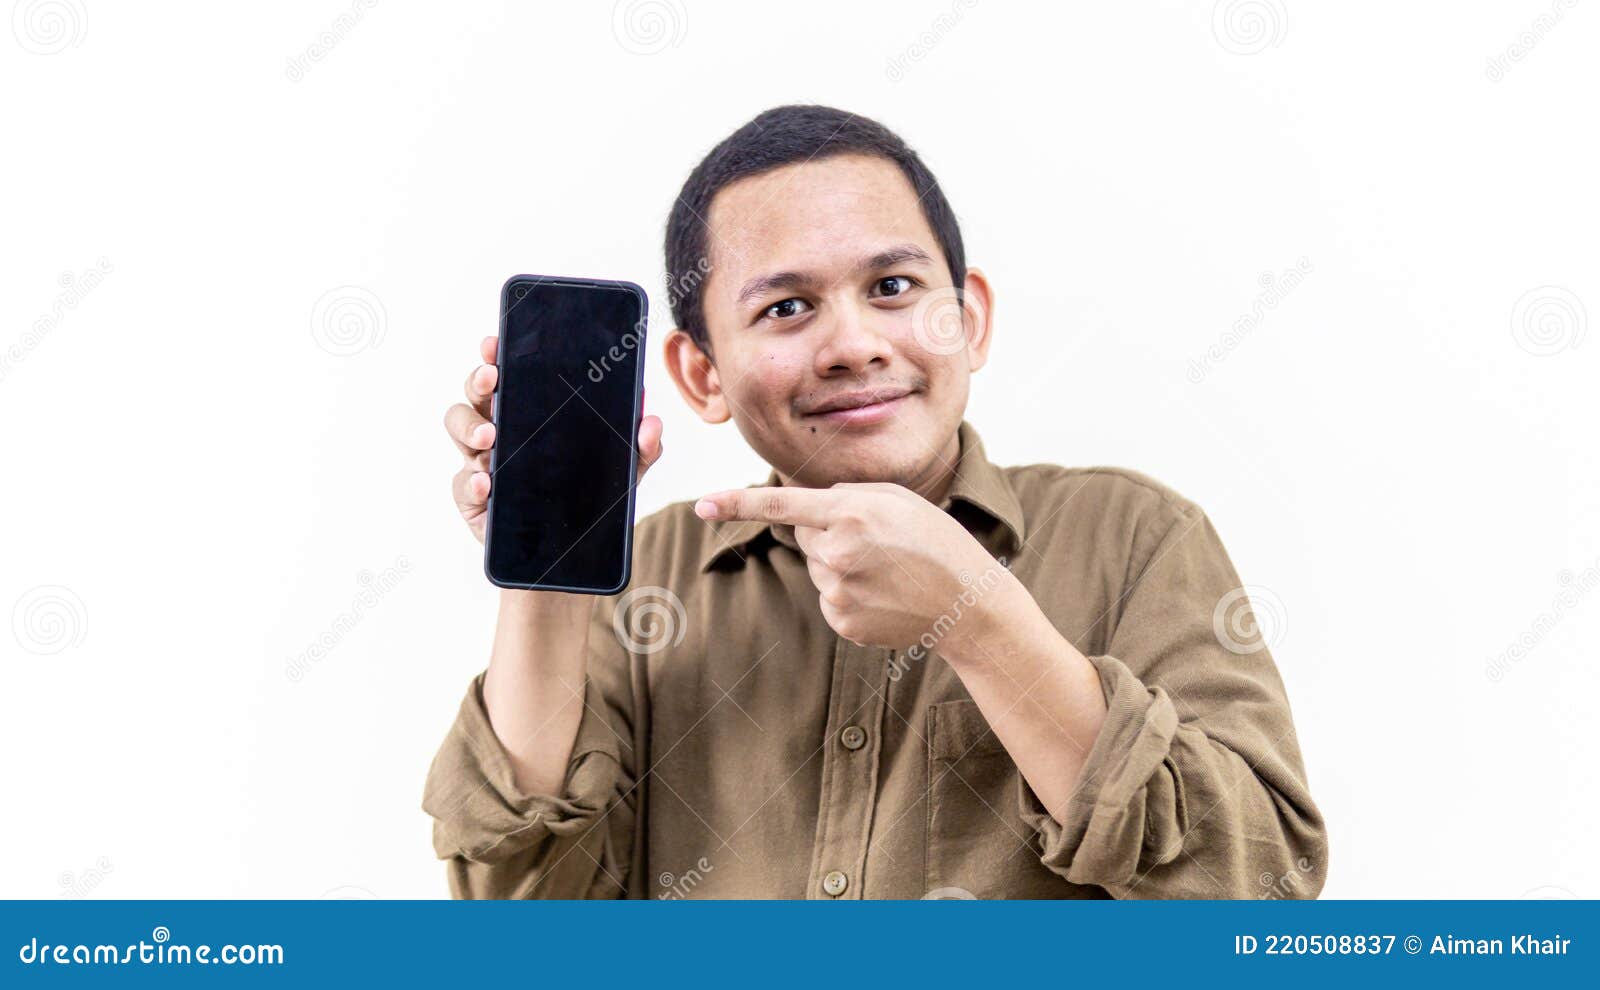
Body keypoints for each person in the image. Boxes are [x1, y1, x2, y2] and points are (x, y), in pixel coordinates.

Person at [424, 105, 1326, 899]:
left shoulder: (1135, 537)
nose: (852, 345)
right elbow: (524, 913)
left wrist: (981, 625)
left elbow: (1256, 887)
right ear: (702, 374)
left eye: (891, 288)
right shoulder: (639, 580)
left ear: (966, 320)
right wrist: (543, 574)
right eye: (785, 308)